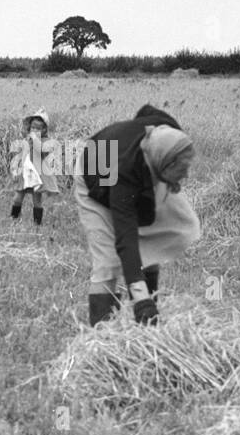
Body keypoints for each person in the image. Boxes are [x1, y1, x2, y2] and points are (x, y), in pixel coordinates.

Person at [75, 104, 199, 326]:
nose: (187, 175)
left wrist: (170, 179)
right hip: (99, 170)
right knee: (108, 262)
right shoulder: (122, 173)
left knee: (152, 238)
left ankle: (147, 323)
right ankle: (102, 339)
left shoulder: (168, 133)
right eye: (181, 170)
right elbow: (126, 236)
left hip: (137, 160)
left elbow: (145, 111)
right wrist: (139, 296)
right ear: (165, 163)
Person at [10, 110, 60, 225]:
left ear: (44, 130)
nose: (34, 131)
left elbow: (43, 150)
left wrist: (35, 140)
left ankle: (37, 223)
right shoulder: (26, 140)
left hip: (37, 176)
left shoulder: (47, 142)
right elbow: (20, 155)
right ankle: (13, 218)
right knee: (18, 197)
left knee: (37, 200)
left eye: (38, 129)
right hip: (24, 174)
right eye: (33, 128)